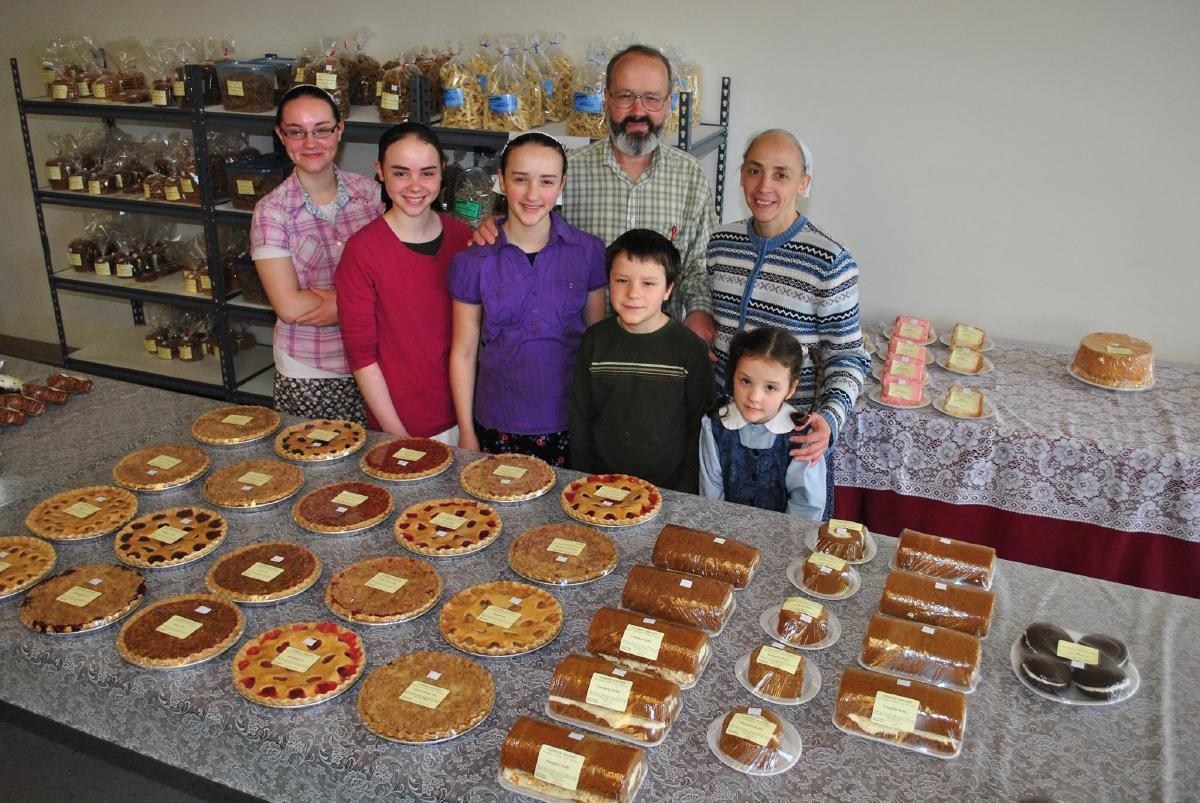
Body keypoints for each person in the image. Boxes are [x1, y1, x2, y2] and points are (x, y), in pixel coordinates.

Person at [475, 44, 719, 349]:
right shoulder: (568, 172)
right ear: (606, 98)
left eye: (651, 99)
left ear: (669, 103)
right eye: (625, 96)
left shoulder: (690, 176)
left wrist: (699, 312)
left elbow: (698, 265)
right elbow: (531, 235)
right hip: (574, 348)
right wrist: (497, 226)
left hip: (658, 349)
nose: (638, 111)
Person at [707, 129, 870, 516]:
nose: (765, 186)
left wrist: (829, 420)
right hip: (723, 434)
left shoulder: (830, 262)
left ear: (804, 183)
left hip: (791, 445)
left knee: (792, 551)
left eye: (781, 174)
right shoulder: (721, 245)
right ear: (742, 175)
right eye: (755, 170)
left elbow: (849, 357)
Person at [448, 133, 607, 465]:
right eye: (520, 179)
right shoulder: (473, 260)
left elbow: (598, 343)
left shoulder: (589, 252)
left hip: (570, 422)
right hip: (497, 421)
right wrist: (466, 431)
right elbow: (463, 353)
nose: (533, 194)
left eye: (546, 181)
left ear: (562, 184)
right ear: (502, 181)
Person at [250, 84, 383, 422]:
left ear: (340, 130)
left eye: (322, 130)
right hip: (311, 372)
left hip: (376, 361)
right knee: (318, 466)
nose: (311, 143)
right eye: (297, 132)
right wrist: (363, 302)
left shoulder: (372, 196)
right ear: (281, 136)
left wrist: (332, 302)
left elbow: (400, 277)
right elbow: (289, 306)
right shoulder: (271, 211)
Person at [334, 123, 473, 440]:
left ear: (442, 172)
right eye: (400, 173)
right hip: (401, 424)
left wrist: (469, 426)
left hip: (467, 416)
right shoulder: (362, 252)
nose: (415, 185)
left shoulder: (463, 239)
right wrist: (397, 435)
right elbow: (362, 356)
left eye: (427, 173)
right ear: (380, 171)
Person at [569, 229, 713, 492]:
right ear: (608, 282)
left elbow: (698, 428)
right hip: (601, 487)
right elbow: (581, 419)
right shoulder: (594, 341)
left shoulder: (690, 349)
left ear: (669, 288)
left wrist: (686, 491)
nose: (633, 293)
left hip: (669, 491)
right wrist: (583, 480)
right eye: (622, 280)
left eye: (648, 283)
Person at [699, 327, 827, 519]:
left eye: (770, 387)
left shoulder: (802, 437)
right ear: (733, 375)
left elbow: (805, 507)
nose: (754, 397)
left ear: (791, 389)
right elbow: (711, 495)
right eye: (745, 381)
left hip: (783, 539)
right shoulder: (714, 425)